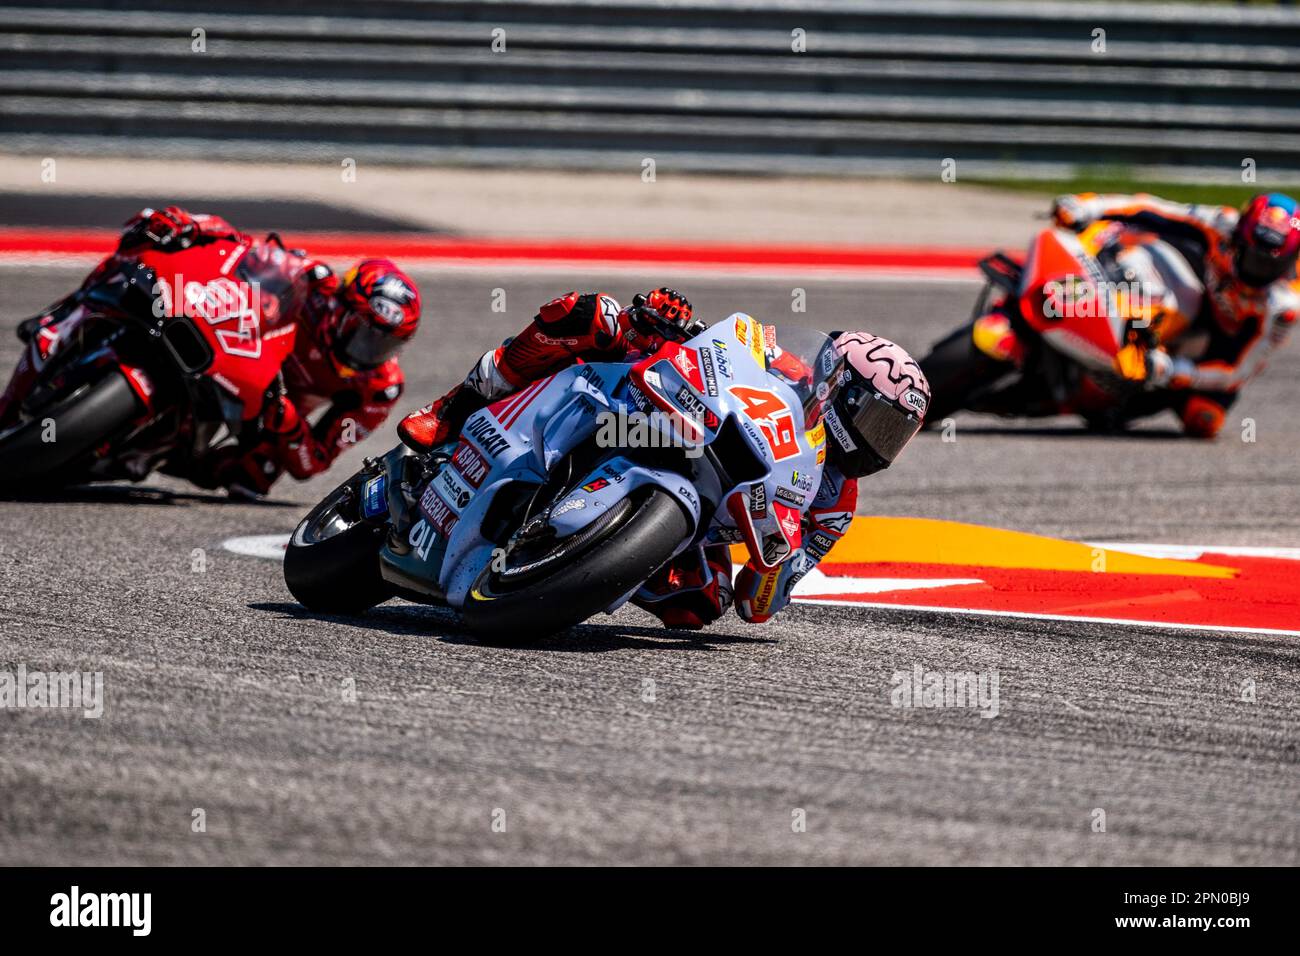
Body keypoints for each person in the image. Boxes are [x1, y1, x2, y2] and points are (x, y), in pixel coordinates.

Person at [399, 291, 929, 630]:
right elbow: (732, 347)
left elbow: (763, 602)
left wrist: (773, 564)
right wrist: (669, 321)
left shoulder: (836, 506)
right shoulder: (787, 364)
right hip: (659, 410)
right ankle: (454, 407)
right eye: (882, 424)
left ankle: (585, 563)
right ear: (842, 388)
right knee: (594, 317)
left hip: (709, 516)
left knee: (700, 605)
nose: (883, 446)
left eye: (897, 435)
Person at [0, 206, 422, 495]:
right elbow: (245, 251)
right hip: (228, 350)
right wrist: (193, 227)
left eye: (385, 344)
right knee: (135, 269)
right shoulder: (316, 282)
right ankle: (50, 348)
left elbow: (312, 462)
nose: (369, 351)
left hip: (258, 416)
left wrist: (286, 422)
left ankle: (130, 455)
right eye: (364, 333)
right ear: (340, 306)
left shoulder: (377, 390)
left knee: (253, 477)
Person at [1051, 191, 1300, 437]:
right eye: (1255, 258)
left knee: (1203, 419)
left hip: (1225, 349)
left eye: (1273, 264)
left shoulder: (1285, 306)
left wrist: (1172, 370)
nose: (1262, 270)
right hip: (1199, 302)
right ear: (1238, 239)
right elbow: (1156, 209)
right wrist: (1092, 205)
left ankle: (1109, 404)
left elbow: (1238, 371)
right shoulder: (1223, 223)